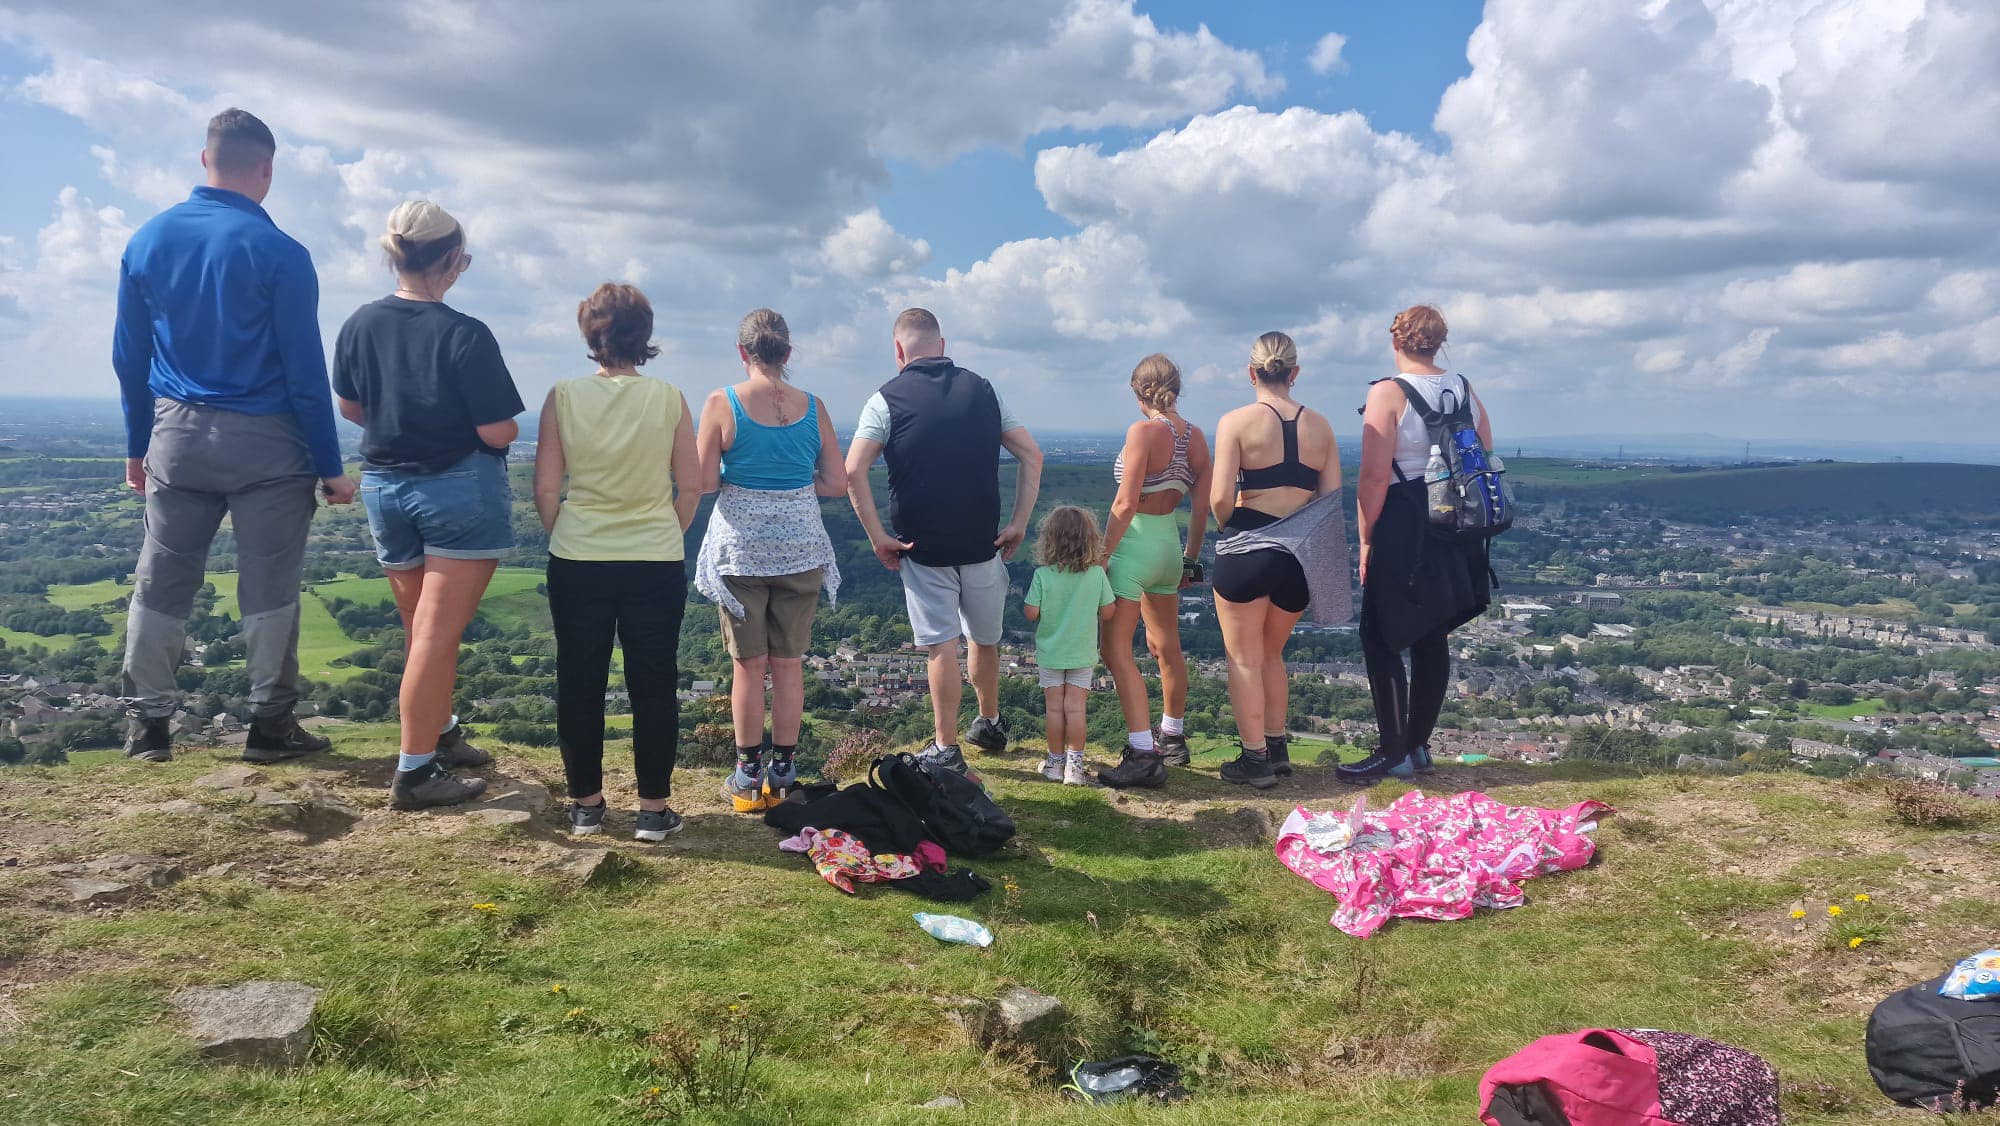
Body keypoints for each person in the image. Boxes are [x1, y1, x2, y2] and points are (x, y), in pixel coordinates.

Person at [112, 108, 355, 766]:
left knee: (162, 576)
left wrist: (137, 445)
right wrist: (330, 467)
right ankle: (270, 726)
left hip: (176, 435)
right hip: (270, 444)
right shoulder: (281, 252)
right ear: (267, 168)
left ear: (205, 159)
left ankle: (148, 728)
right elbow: (305, 373)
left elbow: (129, 358)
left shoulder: (147, 239)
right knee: (269, 583)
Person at [333, 201, 522, 810]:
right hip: (456, 489)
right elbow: (497, 431)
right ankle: (414, 772)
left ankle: (440, 732)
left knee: (421, 629)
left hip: (383, 487)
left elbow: (352, 408)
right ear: (452, 260)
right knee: (436, 637)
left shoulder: (359, 323)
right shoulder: (464, 333)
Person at [844, 308, 1043, 775]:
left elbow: (853, 469)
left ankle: (946, 747)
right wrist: (1018, 523)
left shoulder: (884, 399)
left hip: (923, 549)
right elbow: (1031, 455)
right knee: (985, 640)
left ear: (899, 350)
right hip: (984, 543)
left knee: (941, 647)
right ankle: (989, 723)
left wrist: (878, 537)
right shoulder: (984, 390)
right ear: (942, 345)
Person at [533, 284, 700, 840]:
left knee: (579, 680)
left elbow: (545, 490)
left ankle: (586, 805)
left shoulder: (562, 396)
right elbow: (691, 487)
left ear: (590, 333)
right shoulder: (670, 397)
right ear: (643, 335)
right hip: (654, 558)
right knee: (654, 683)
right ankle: (653, 810)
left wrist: (569, 534)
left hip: (578, 556)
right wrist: (665, 532)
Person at [695, 309, 847, 813]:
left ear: (743, 352)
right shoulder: (814, 407)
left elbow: (705, 481)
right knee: (788, 665)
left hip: (741, 551)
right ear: (787, 353)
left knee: (747, 666)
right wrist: (795, 489)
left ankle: (746, 775)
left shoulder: (722, 402)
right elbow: (836, 483)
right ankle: (783, 773)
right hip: (802, 547)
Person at [1338, 306, 1494, 785]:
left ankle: (1392, 750)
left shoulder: (1388, 392)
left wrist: (1366, 538)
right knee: (1432, 632)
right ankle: (1417, 746)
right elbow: (1484, 449)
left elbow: (1373, 476)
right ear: (1439, 342)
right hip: (1455, 521)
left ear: (1396, 341)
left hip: (1405, 518)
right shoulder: (1462, 388)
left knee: (1378, 634)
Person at [1208, 332, 1343, 788]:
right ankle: (1277, 746)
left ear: (1252, 373)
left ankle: (1254, 760)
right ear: (1294, 373)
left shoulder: (1235, 422)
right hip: (1297, 557)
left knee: (1243, 657)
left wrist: (1230, 524)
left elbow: (1220, 498)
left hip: (1247, 545)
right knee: (1271, 653)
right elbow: (1329, 501)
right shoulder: (1321, 427)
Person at [1097, 354, 1211, 790]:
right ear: (1176, 388)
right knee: (1166, 647)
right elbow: (1200, 509)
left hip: (1134, 546)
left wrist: (1103, 554)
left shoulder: (1142, 432)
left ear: (1138, 392)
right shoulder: (1196, 438)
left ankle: (1143, 752)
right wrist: (1190, 560)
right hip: (1169, 546)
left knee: (1115, 650)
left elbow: (1125, 503)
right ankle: (1173, 736)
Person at [1024, 506, 1116, 786]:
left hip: (1051, 653)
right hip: (1082, 653)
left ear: (1049, 540)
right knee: (1076, 709)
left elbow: (1031, 613)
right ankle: (1074, 768)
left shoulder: (1043, 575)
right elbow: (1109, 612)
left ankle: (1054, 763)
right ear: (1090, 540)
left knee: (1054, 709)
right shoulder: (1096, 575)